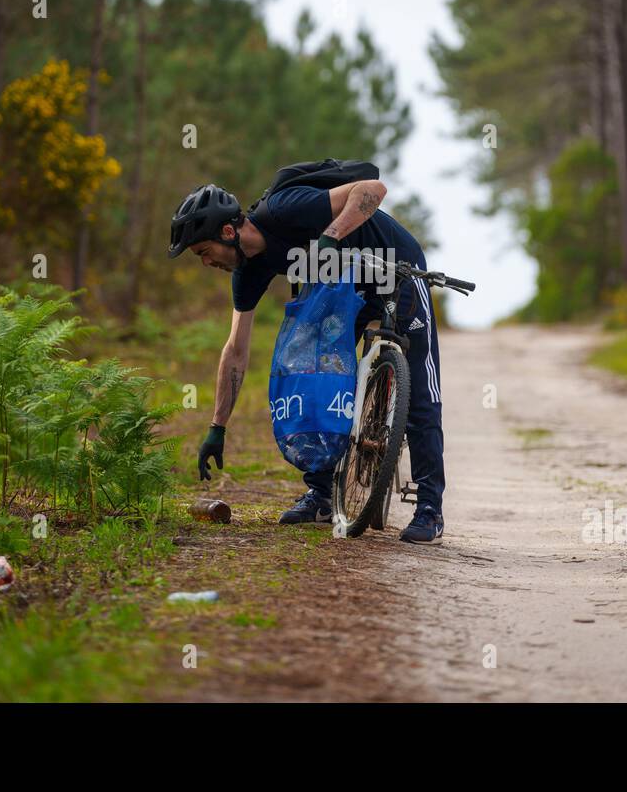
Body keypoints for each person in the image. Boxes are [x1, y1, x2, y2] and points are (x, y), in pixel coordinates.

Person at [167, 180, 446, 544]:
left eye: (204, 251)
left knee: (420, 392)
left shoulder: (284, 209)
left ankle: (429, 507)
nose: (206, 262)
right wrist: (217, 426)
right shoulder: (248, 272)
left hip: (396, 264)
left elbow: (373, 189)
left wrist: (331, 234)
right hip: (346, 285)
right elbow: (235, 348)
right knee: (312, 374)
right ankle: (323, 496)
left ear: (227, 230)